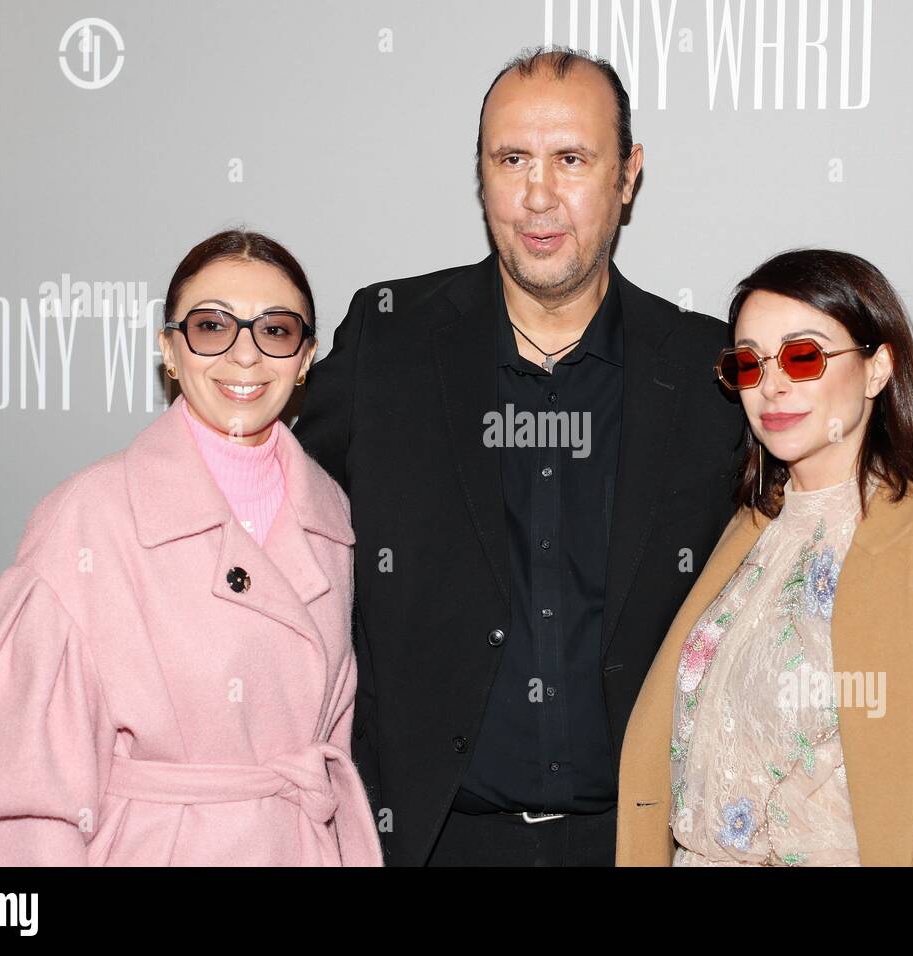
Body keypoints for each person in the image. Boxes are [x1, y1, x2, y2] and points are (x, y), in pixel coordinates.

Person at [292, 47, 746, 866]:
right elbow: (264, 505)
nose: (538, 196)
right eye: (512, 160)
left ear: (628, 175)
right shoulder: (388, 342)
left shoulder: (709, 371)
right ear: (482, 175)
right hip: (429, 843)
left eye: (571, 159)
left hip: (641, 844)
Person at [0, 230, 383, 866]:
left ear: (305, 357)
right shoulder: (89, 518)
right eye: (212, 326)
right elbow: (1, 794)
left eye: (275, 330)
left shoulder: (334, 521)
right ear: (170, 348)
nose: (244, 356)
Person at [616, 249, 913, 866]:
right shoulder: (744, 533)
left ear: (878, 367)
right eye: (749, 363)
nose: (771, 384)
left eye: (803, 356)